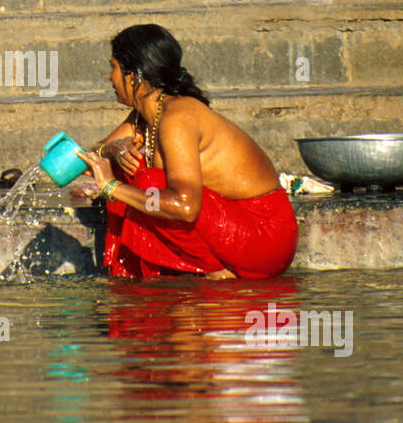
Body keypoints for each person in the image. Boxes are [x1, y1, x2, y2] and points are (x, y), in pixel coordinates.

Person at [74, 24, 297, 279]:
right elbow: (90, 159)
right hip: (233, 226)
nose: (109, 77)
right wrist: (112, 149)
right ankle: (158, 277)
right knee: (129, 170)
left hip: (264, 237)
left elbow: (186, 206)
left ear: (134, 75)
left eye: (113, 67)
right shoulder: (144, 117)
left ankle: (218, 270)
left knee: (147, 181)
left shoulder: (177, 117)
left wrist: (112, 188)